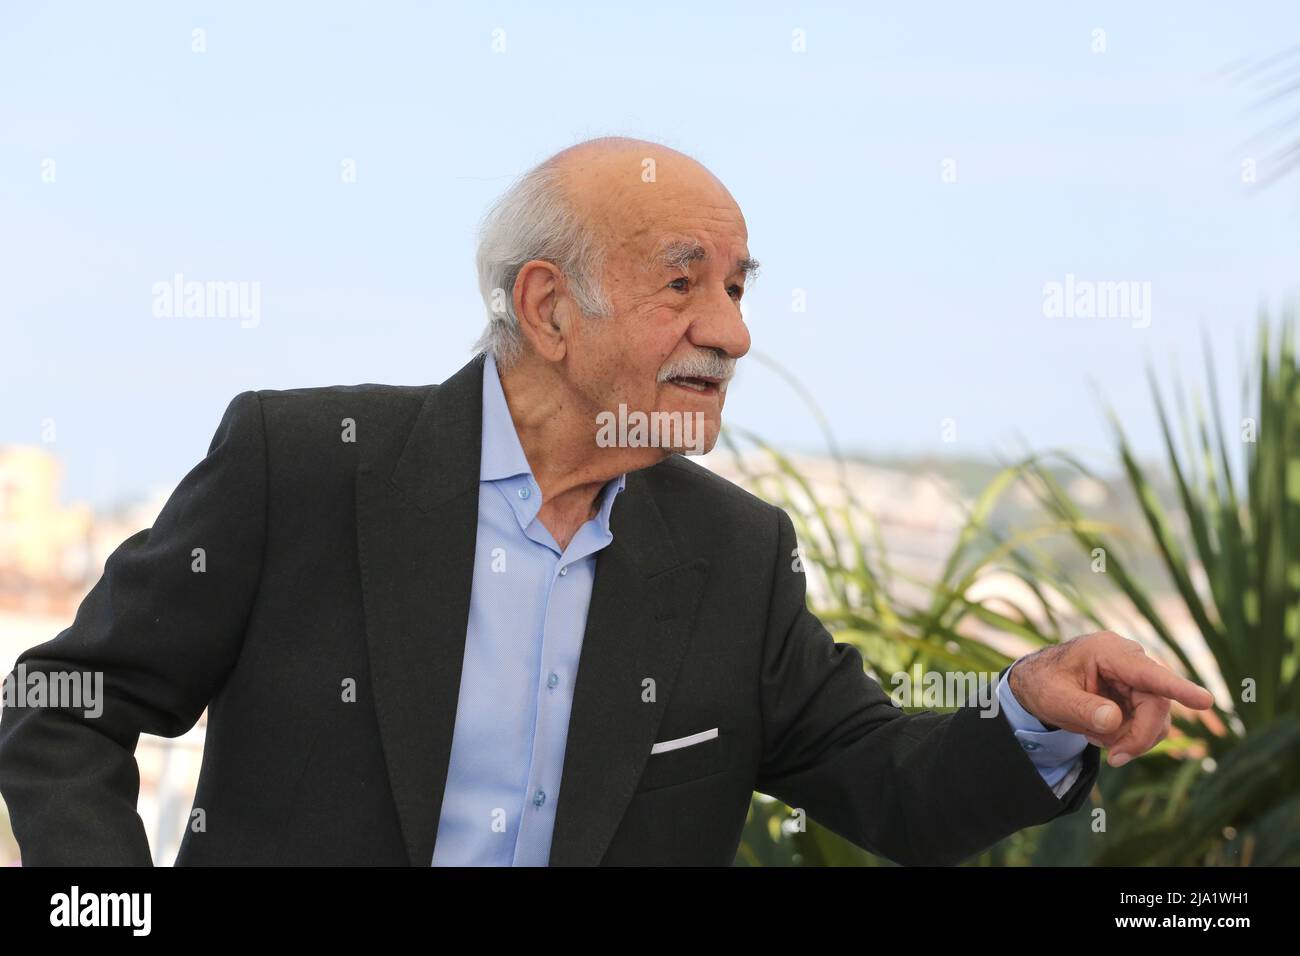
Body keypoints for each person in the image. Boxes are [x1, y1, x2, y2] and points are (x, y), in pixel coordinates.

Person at [0, 137, 1214, 866]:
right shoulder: (303, 461)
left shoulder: (736, 555)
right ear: (545, 308)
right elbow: (61, 710)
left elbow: (882, 777)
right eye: (682, 284)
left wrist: (1032, 711)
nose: (732, 332)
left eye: (737, 287)